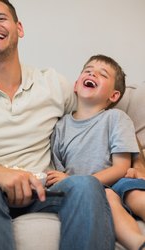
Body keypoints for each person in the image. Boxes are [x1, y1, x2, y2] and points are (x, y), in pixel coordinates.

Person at [0, 0, 115, 249]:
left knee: (85, 185)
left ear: (19, 28)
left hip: (43, 190)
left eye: (0, 18)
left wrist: (136, 163)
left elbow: (99, 118)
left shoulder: (53, 84)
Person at [47, 54, 145, 250]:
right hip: (92, 193)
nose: (93, 73)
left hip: (120, 181)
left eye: (102, 74)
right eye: (88, 70)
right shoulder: (61, 127)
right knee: (108, 198)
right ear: (76, 85)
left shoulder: (116, 118)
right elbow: (61, 174)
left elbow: (121, 167)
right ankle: (139, 244)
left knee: (134, 193)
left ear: (114, 95)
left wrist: (83, 181)